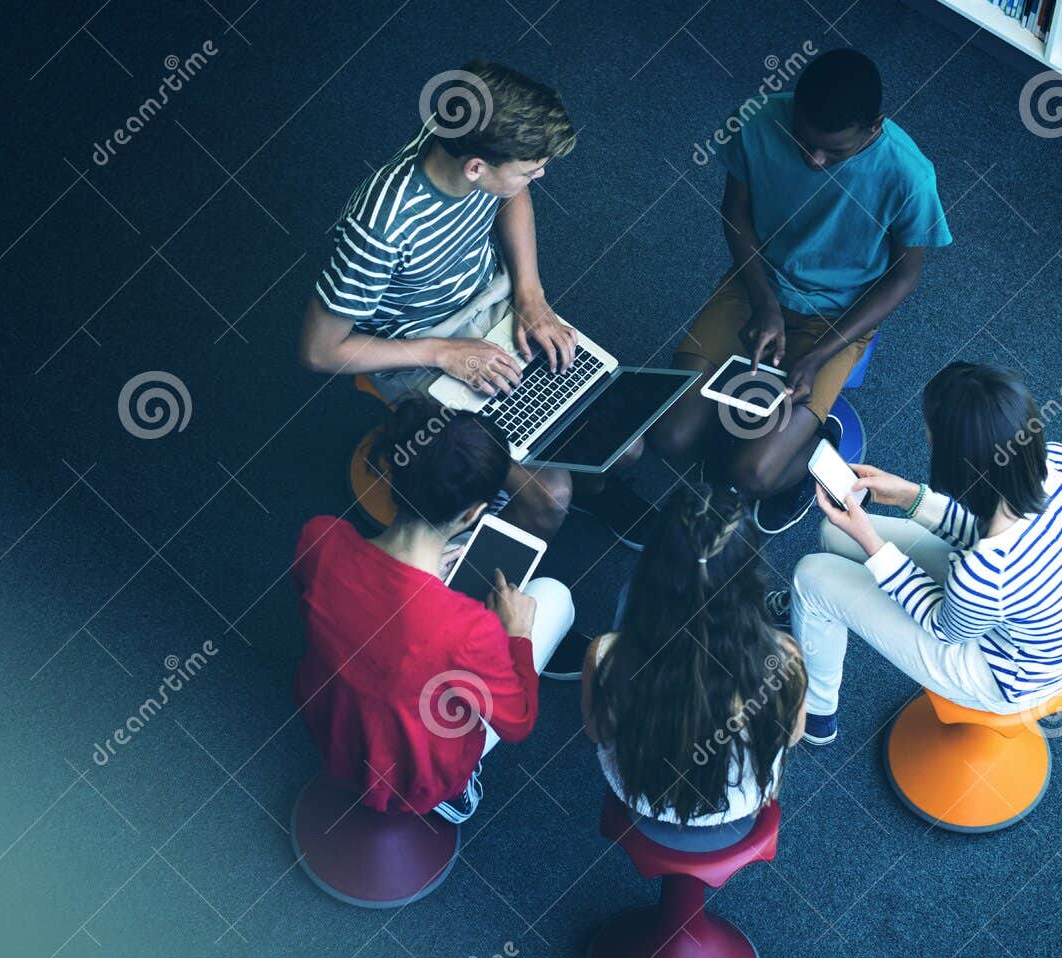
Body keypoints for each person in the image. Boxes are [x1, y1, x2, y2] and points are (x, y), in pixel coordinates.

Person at [297, 61, 654, 632]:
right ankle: (479, 613)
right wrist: (444, 352)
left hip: (490, 305)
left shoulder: (469, 141)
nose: (539, 177)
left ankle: (593, 483)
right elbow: (320, 351)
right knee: (548, 497)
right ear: (476, 168)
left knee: (624, 442)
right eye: (531, 169)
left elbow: (512, 194)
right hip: (415, 354)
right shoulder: (378, 231)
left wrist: (531, 296)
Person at [650, 47, 953, 535]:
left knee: (752, 475)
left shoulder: (909, 176)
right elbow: (736, 212)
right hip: (754, 286)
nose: (814, 160)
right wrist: (764, 301)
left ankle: (820, 443)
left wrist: (818, 355)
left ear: (874, 129)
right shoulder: (756, 121)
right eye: (803, 141)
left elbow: (903, 277)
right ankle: (766, 433)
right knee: (669, 436)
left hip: (837, 317)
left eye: (834, 152)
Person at [783, 363, 1062, 745]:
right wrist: (910, 497)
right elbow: (989, 525)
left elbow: (941, 625)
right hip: (1046, 624)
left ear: (957, 466)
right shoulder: (1060, 464)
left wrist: (872, 543)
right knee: (833, 534)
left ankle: (816, 714)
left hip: (1003, 674)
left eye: (931, 443)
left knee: (810, 576)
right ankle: (811, 618)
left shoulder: (985, 573)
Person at [293, 397, 575, 823]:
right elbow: (518, 722)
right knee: (554, 596)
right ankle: (453, 793)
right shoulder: (473, 630)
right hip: (416, 780)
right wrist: (517, 634)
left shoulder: (320, 537)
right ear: (475, 512)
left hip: (327, 726)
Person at [582, 484, 806, 851]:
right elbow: (793, 737)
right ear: (750, 576)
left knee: (624, 600)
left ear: (654, 567)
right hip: (740, 804)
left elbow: (597, 732)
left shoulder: (606, 655)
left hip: (642, 796)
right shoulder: (784, 659)